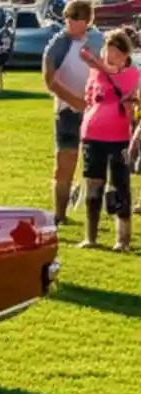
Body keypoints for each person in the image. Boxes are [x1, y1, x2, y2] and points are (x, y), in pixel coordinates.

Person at [76, 29, 138, 250]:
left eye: (113, 51)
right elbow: (90, 98)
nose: (108, 55)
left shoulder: (131, 75)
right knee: (93, 185)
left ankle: (122, 239)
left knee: (119, 186)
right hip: (93, 134)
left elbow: (116, 78)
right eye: (106, 50)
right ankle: (90, 237)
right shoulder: (96, 73)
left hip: (118, 137)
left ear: (123, 55)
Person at [42, 0, 97, 225]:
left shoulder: (97, 41)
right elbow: (49, 80)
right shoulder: (58, 44)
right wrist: (75, 101)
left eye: (74, 17)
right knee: (64, 163)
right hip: (67, 112)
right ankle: (60, 214)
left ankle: (90, 212)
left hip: (95, 113)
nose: (69, 21)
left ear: (86, 21)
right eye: (66, 16)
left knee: (94, 165)